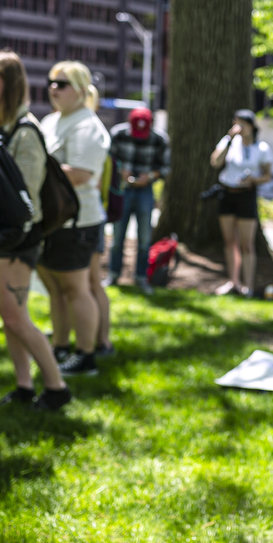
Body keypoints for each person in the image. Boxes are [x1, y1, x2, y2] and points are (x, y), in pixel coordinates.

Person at [0, 51, 72, 410]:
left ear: (11, 85)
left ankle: (57, 388)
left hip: (17, 237)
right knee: (8, 316)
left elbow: (26, 199)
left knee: (16, 315)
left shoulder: (26, 131)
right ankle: (24, 386)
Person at [37, 60, 110, 377]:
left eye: (62, 83)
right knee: (56, 288)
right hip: (53, 220)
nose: (54, 88)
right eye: (51, 82)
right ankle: (61, 346)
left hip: (77, 221)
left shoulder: (87, 125)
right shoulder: (52, 120)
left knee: (77, 288)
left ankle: (86, 355)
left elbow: (79, 174)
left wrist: (31, 170)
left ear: (80, 91)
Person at [209, 109, 272, 297]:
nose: (238, 128)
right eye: (236, 123)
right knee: (229, 242)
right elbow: (215, 162)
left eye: (242, 124)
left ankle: (248, 286)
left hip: (247, 195)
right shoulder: (229, 142)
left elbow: (268, 176)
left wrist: (253, 179)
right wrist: (228, 139)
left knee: (247, 244)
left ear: (251, 126)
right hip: (227, 194)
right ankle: (233, 281)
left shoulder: (261, 148)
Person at [108, 107, 170, 294]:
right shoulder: (118, 134)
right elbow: (107, 160)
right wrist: (120, 171)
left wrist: (150, 175)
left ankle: (141, 277)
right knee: (118, 237)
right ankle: (113, 274)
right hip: (122, 191)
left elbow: (166, 167)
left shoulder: (160, 139)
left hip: (145, 192)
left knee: (144, 239)